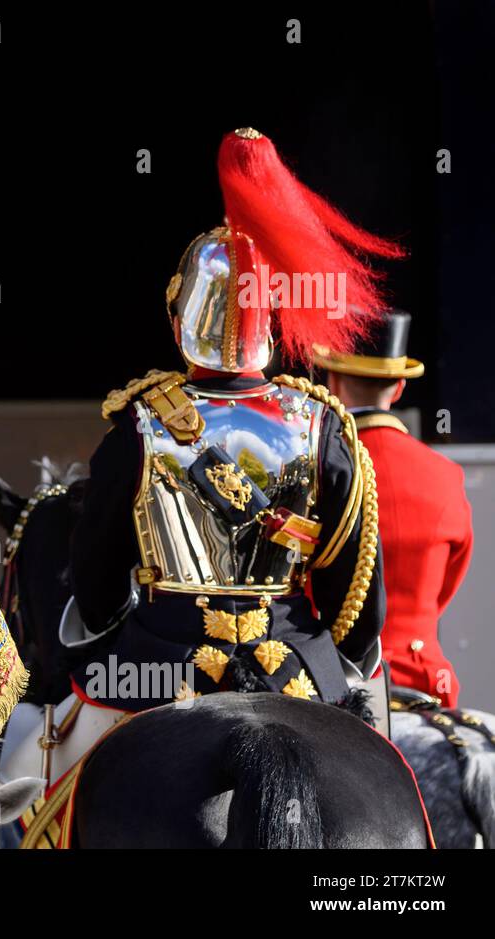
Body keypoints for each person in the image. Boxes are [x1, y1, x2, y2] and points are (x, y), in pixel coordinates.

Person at [64, 129, 393, 742]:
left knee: (53, 772)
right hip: (292, 670)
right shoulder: (321, 423)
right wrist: (342, 654)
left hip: (155, 672)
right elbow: (357, 584)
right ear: (270, 320)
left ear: (179, 315)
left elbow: (96, 570)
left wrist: (112, 624)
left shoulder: (139, 424)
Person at [315, 311, 472, 707]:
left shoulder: (314, 470)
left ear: (331, 381)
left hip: (338, 678)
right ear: (399, 386)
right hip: (426, 676)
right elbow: (448, 580)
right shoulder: (445, 472)